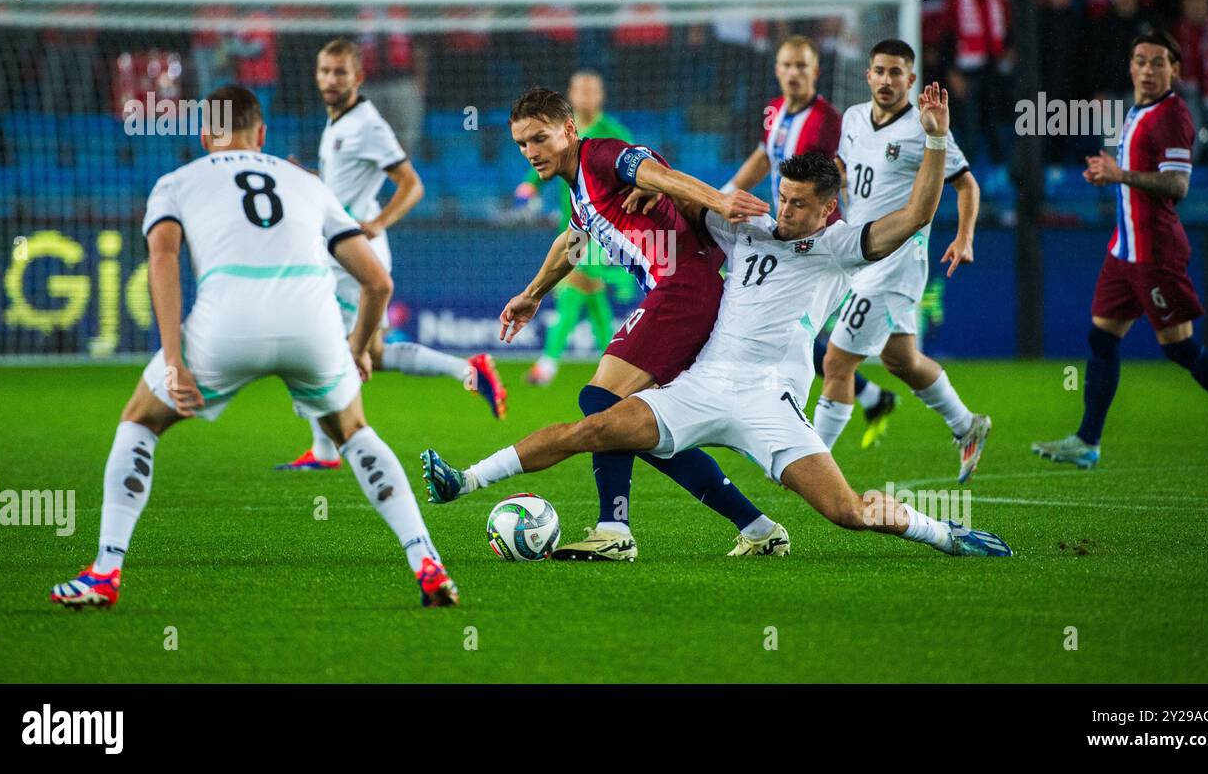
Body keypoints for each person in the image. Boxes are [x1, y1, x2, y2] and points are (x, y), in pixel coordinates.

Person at [423, 86, 1013, 560]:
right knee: (596, 425)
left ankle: (946, 534)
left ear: (828, 210)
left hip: (768, 400)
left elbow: (914, 215)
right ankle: (468, 481)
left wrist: (935, 141)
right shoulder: (747, 229)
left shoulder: (840, 247)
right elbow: (659, 200)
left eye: (800, 204)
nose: (785, 211)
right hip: (703, 383)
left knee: (848, 513)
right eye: (781, 197)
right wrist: (656, 200)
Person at [50, 86, 459, 609]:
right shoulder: (306, 183)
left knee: (140, 422)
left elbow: (163, 259)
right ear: (261, 135)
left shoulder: (177, 181)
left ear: (204, 136)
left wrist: (174, 359)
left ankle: (105, 572)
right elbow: (377, 282)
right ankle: (426, 562)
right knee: (354, 433)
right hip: (311, 322)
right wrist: (356, 348)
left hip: (226, 323)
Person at [491, 86, 787, 561]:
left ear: (569, 129)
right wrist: (532, 295)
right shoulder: (580, 190)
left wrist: (719, 200)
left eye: (539, 139)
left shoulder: (602, 155)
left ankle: (614, 530)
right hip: (677, 292)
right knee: (642, 426)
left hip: (682, 289)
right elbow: (574, 242)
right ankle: (757, 526)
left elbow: (657, 174)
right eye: (522, 144)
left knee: (601, 400)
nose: (530, 153)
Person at [1033, 30, 1208, 469]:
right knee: (1101, 337)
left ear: (1175, 71)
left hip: (1155, 253)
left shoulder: (1174, 116)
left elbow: (1178, 185)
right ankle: (1088, 441)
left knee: (1178, 348)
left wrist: (1120, 175)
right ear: (1130, 66)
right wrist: (1109, 175)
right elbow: (1132, 174)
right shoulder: (1138, 110)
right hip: (1123, 251)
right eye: (1140, 60)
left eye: (1158, 62)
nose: (1147, 69)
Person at [277, 39, 506, 471]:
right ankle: (467, 370)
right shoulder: (339, 122)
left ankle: (327, 452)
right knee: (372, 353)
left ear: (358, 77)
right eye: (325, 71)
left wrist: (379, 222)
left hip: (351, 254)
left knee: (323, 346)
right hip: (347, 249)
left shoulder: (367, 124)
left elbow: (411, 184)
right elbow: (342, 190)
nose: (330, 79)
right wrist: (308, 178)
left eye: (340, 72)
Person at [818, 39, 990, 484]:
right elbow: (845, 170)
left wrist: (965, 236)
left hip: (896, 260)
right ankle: (966, 424)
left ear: (911, 81)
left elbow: (966, 185)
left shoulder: (926, 126)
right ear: (868, 75)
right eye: (880, 71)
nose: (887, 80)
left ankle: (812, 460)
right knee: (901, 360)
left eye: (897, 73)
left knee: (837, 363)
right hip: (859, 253)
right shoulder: (853, 119)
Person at [723, 34, 898, 448]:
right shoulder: (774, 112)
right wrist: (723, 193)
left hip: (818, 244)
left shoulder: (829, 120)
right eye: (786, 65)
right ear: (777, 70)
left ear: (815, 72)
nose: (793, 73)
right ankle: (872, 396)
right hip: (780, 233)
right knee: (794, 329)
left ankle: (800, 435)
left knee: (793, 329)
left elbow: (841, 170)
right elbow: (764, 154)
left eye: (802, 66)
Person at [518, 71, 639, 387]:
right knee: (587, 289)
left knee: (579, 282)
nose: (585, 96)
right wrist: (529, 186)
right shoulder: (561, 133)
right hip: (573, 226)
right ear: (571, 95)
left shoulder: (613, 132)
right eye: (579, 90)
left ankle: (549, 363)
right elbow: (547, 159)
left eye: (591, 91)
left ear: (601, 95)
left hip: (605, 227)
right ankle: (612, 362)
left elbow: (637, 172)